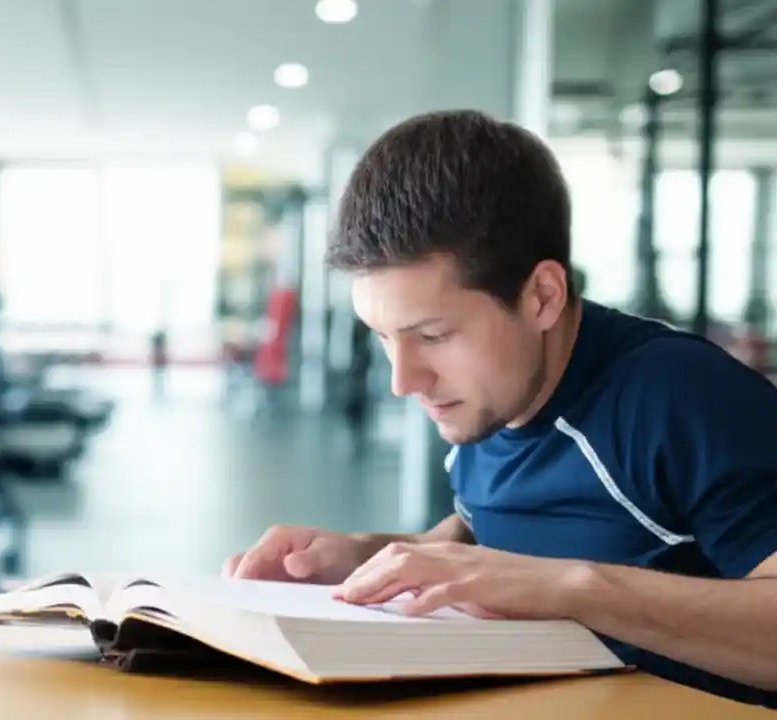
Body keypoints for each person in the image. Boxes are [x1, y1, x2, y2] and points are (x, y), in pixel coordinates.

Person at [222, 110, 777, 707]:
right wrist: (365, 555)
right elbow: (492, 531)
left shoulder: (679, 396)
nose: (404, 381)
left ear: (541, 296)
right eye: (384, 337)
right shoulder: (491, 398)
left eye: (433, 336)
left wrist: (572, 587)